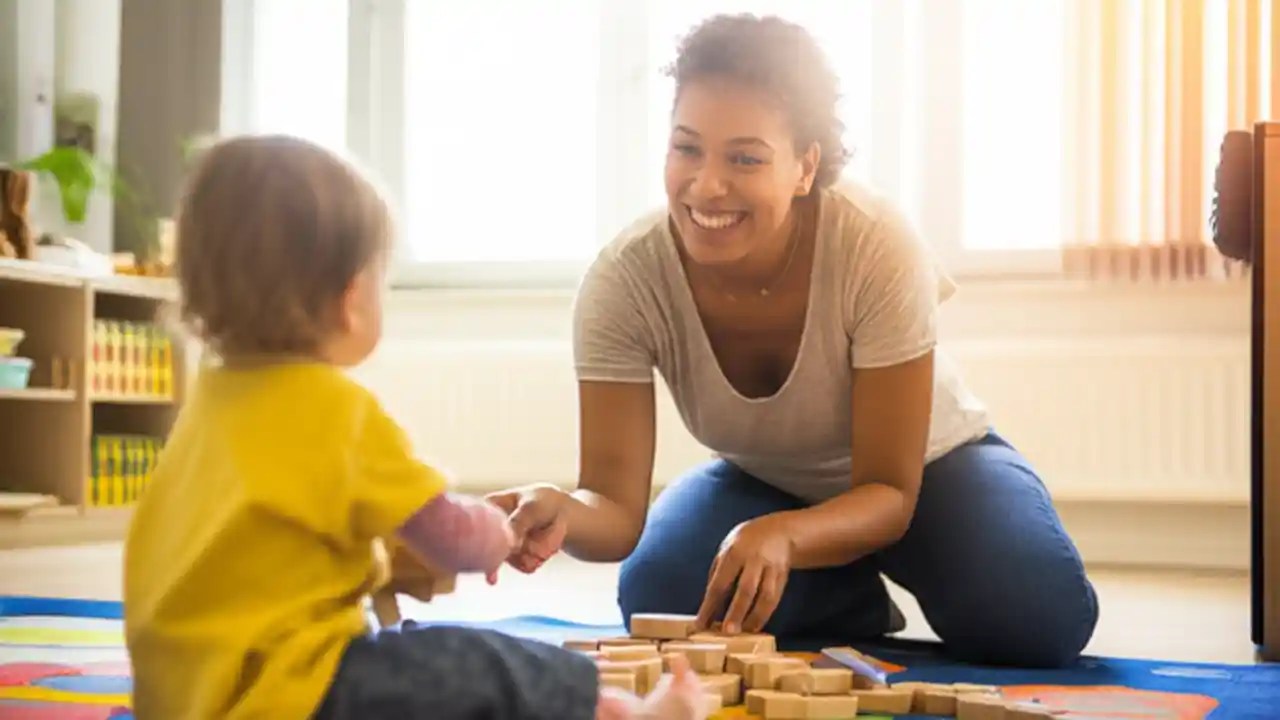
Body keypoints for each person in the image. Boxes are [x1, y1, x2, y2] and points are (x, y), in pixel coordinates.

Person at [489, 13, 1100, 669]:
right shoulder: (624, 280)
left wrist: (784, 536)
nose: (707, 185)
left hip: (928, 473)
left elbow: (889, 495)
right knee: (659, 589)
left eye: (745, 157)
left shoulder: (874, 243)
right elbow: (612, 506)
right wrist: (563, 513)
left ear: (805, 167)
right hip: (767, 481)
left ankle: (837, 564)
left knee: (1036, 618)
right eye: (686, 148)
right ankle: (850, 600)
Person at [122, 135, 707, 720]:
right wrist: (497, 533)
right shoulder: (336, 412)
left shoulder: (204, 408)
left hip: (182, 699)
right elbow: (453, 535)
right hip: (295, 697)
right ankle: (620, 714)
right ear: (352, 299)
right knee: (474, 659)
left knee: (398, 648)